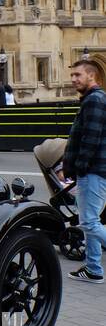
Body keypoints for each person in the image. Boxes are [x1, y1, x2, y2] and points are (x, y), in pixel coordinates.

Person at [64, 60, 106, 282]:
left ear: (92, 76)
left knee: (89, 223)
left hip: (93, 171)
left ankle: (93, 268)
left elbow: (91, 138)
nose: (73, 79)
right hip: (94, 170)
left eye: (78, 75)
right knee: (92, 220)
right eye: (72, 75)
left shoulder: (95, 101)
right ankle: (93, 269)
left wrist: (78, 167)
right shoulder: (93, 99)